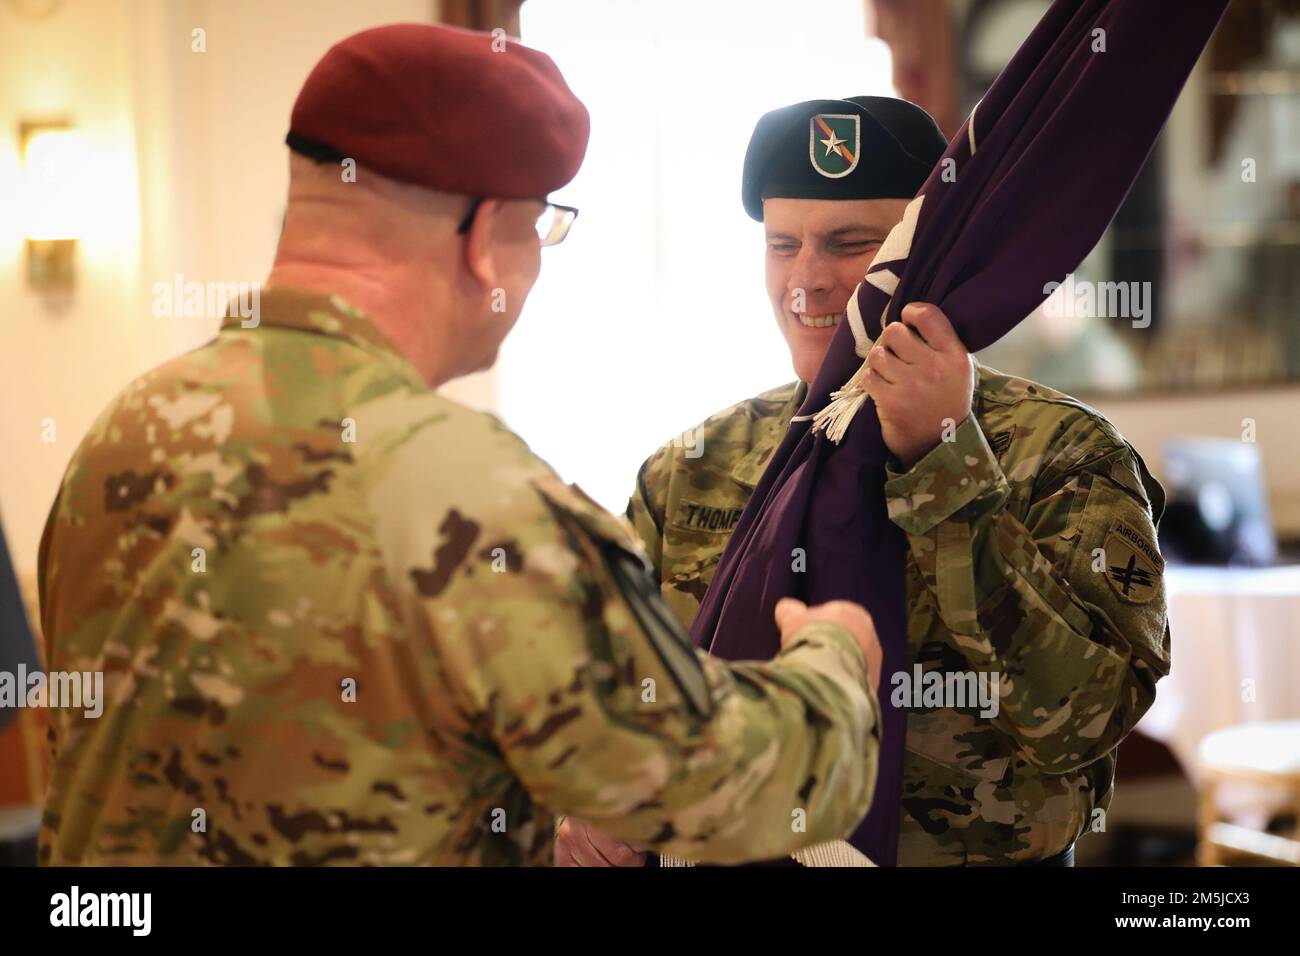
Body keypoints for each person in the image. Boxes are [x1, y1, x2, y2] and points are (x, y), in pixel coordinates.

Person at [35, 25, 884, 867]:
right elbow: (732, 794)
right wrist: (836, 658)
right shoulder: (476, 495)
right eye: (540, 229)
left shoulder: (127, 430)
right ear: (484, 241)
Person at [557, 96, 1170, 867]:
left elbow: (1087, 720)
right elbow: (608, 703)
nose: (805, 282)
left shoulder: (1062, 454)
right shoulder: (693, 467)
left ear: (931, 255)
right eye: (783, 245)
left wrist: (944, 468)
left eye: (849, 244)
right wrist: (592, 805)